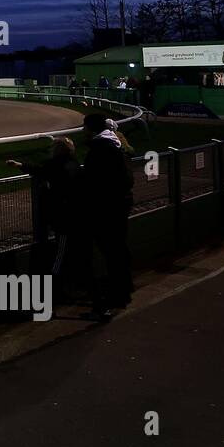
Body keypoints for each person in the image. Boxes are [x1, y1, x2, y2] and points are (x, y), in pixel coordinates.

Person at [8, 137, 83, 296]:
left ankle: (55, 287)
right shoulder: (74, 163)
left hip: (65, 215)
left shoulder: (58, 165)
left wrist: (21, 165)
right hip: (73, 212)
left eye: (54, 147)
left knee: (62, 252)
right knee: (67, 249)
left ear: (59, 150)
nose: (51, 150)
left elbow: (41, 170)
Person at [80, 113, 134, 320]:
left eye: (84, 128)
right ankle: (124, 291)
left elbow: (93, 182)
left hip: (107, 208)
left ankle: (112, 300)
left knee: (111, 252)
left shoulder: (101, 149)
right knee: (118, 250)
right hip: (120, 204)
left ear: (91, 128)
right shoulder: (116, 145)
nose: (83, 132)